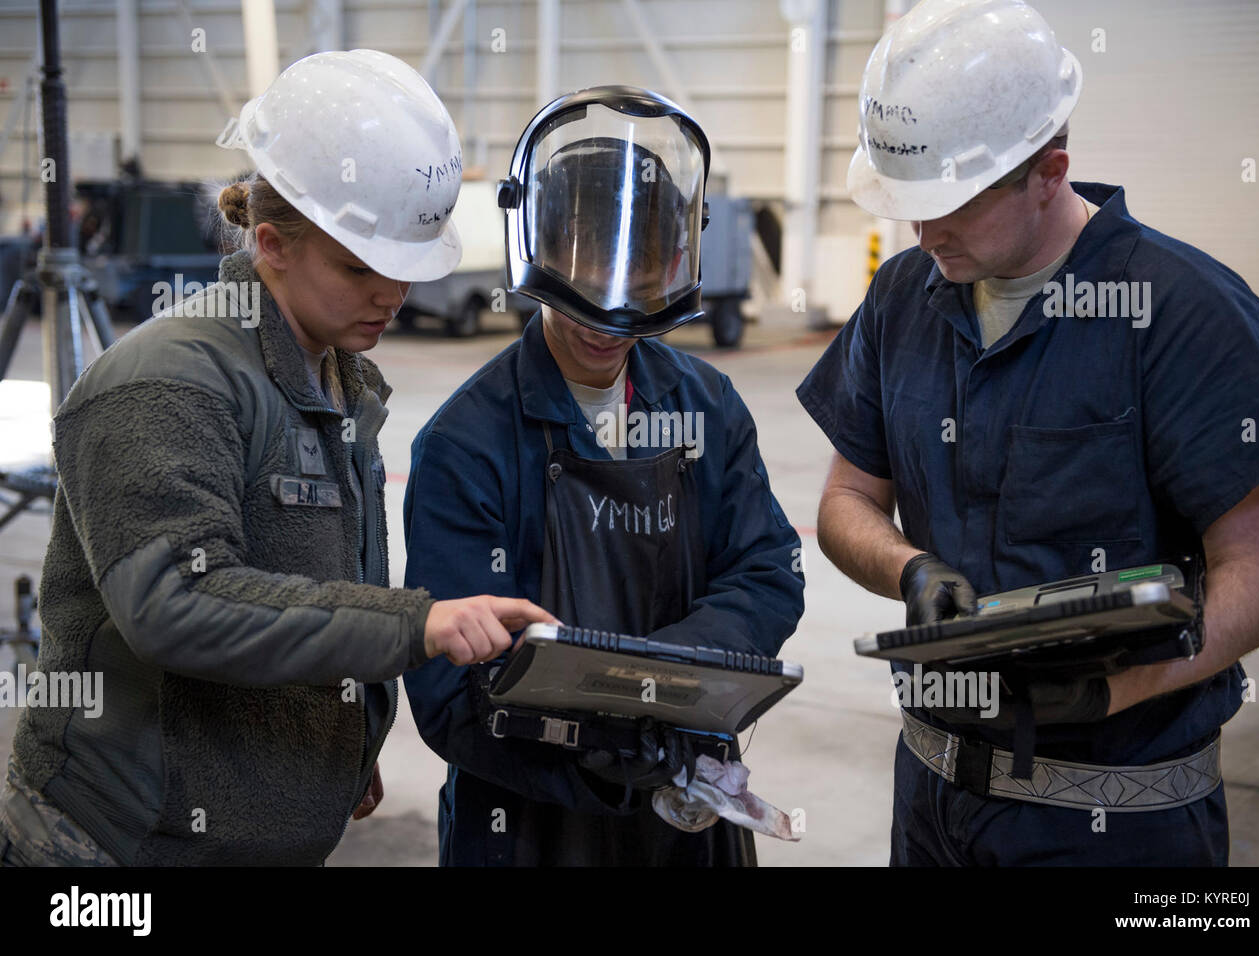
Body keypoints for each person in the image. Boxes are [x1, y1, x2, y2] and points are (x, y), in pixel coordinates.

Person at [0, 49, 552, 867]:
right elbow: (178, 600)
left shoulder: (339, 378)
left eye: (403, 270)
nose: (391, 295)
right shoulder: (166, 381)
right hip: (117, 849)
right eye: (363, 267)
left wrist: (347, 739)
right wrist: (417, 626)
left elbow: (320, 576)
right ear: (271, 242)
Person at [797, 0, 1259, 866]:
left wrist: (1114, 690)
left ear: (1049, 170)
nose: (923, 233)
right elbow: (846, 498)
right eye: (910, 205)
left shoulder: (1184, 314)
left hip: (1117, 822)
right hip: (930, 799)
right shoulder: (903, 298)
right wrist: (910, 569)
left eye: (952, 206)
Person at [402, 86, 805, 866]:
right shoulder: (466, 441)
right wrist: (601, 744)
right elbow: (446, 694)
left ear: (673, 261)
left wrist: (662, 687)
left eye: (641, 269)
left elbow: (768, 572)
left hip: (687, 811)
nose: (603, 316)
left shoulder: (707, 406)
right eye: (580, 266)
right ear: (539, 245)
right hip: (524, 828)